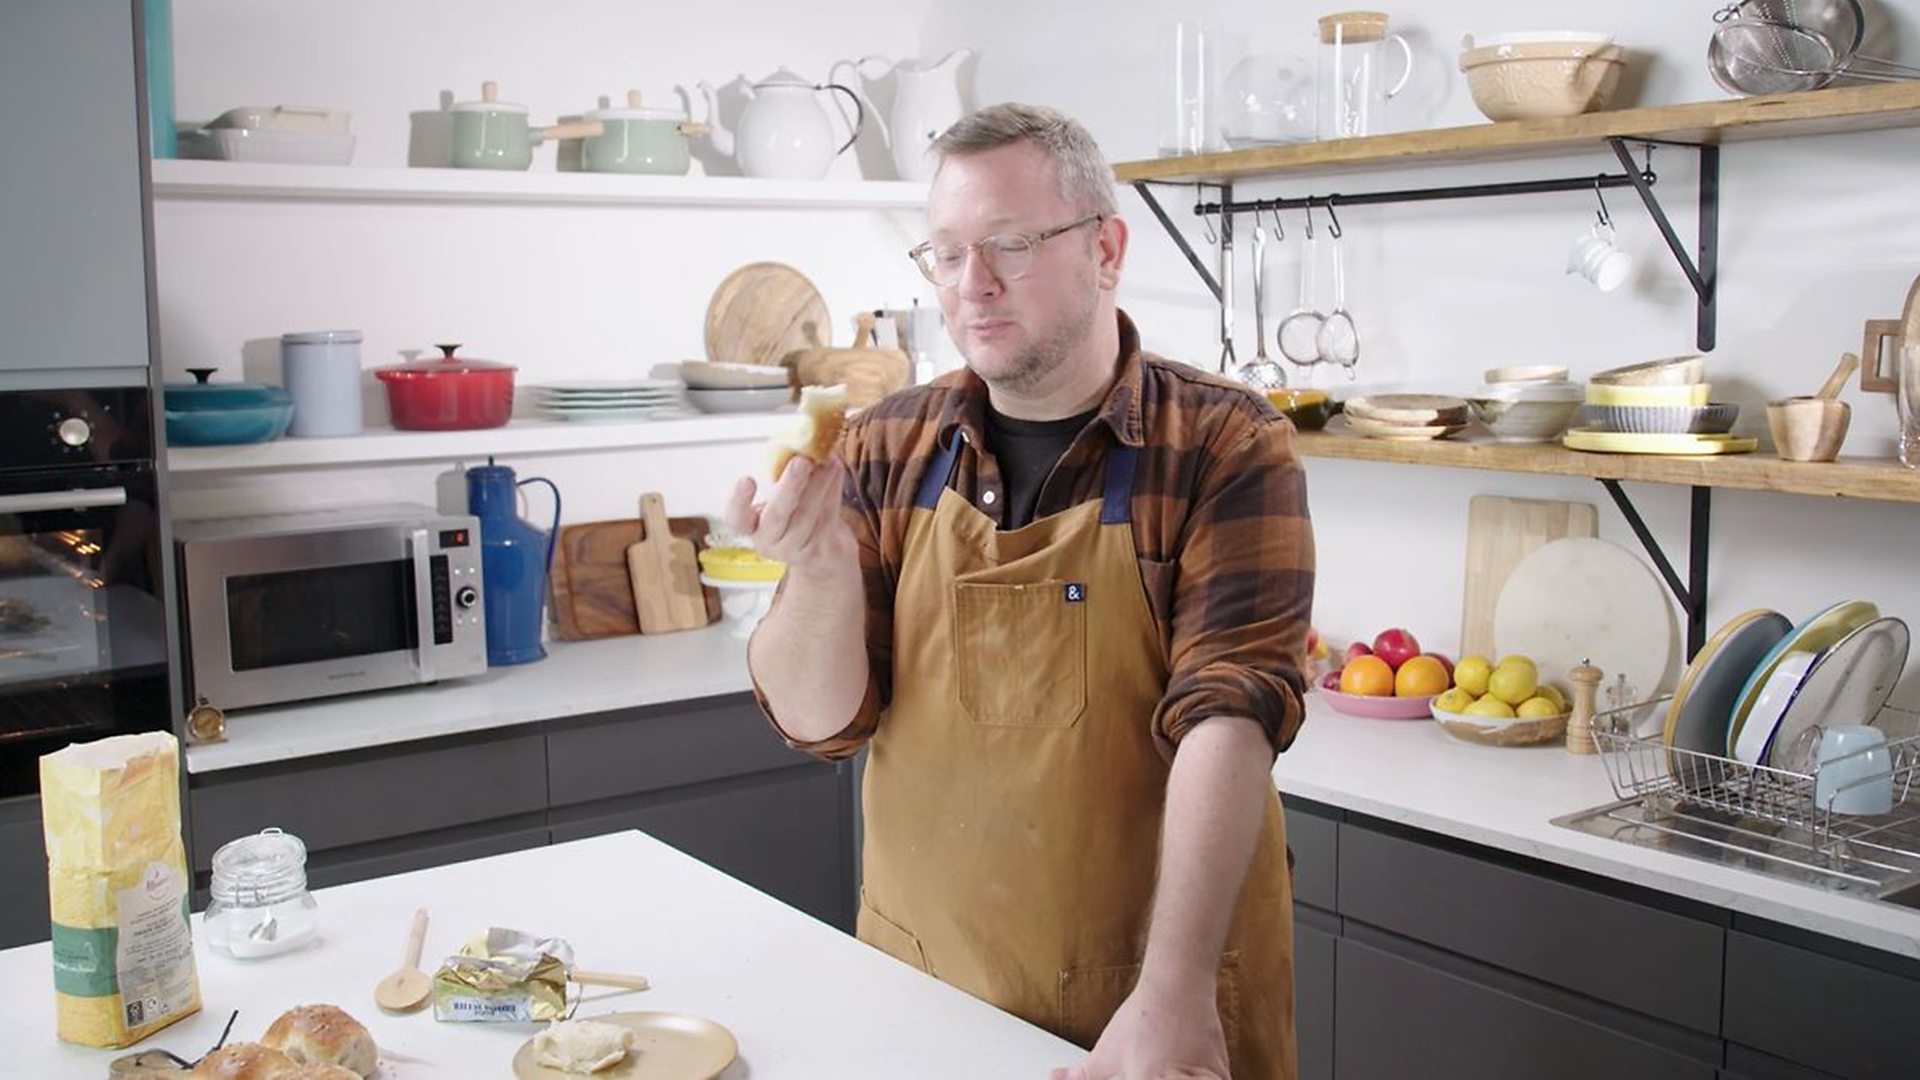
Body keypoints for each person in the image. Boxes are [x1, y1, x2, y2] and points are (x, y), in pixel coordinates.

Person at [725, 103, 1314, 1079]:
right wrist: (818, 569)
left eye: (1009, 244)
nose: (974, 285)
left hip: (1147, 1017)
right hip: (923, 991)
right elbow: (820, 719)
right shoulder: (886, 443)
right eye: (947, 254)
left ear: (1107, 250)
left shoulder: (1224, 443)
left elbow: (1231, 715)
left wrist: (1170, 997)